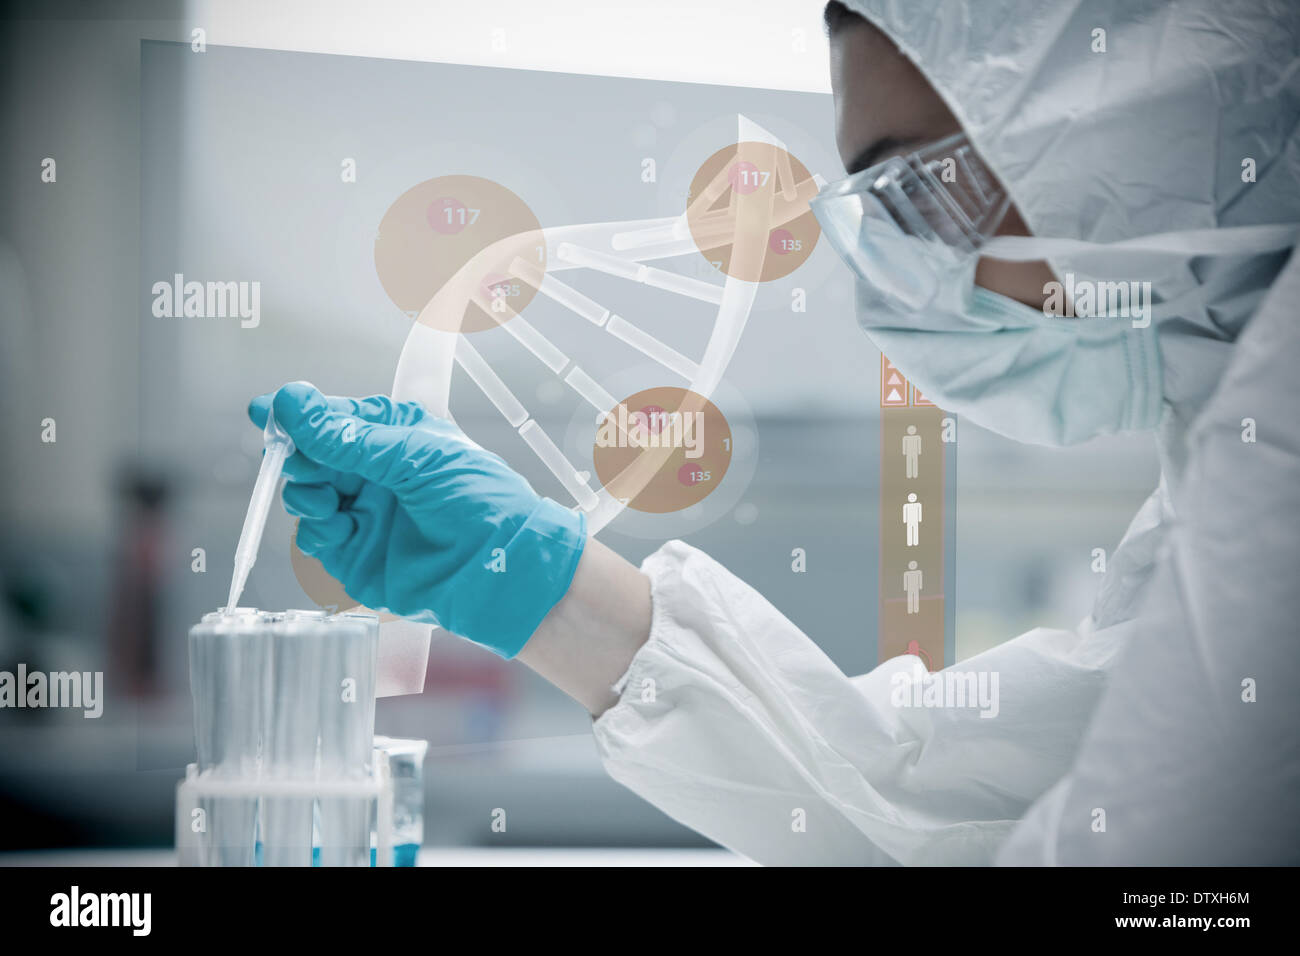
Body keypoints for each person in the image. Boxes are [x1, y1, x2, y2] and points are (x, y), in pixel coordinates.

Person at [248, 0, 1300, 864]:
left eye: (924, 187)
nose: (905, 272)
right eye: (877, 206)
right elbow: (944, 795)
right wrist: (532, 575)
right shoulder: (1236, 424)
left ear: (1136, 129)